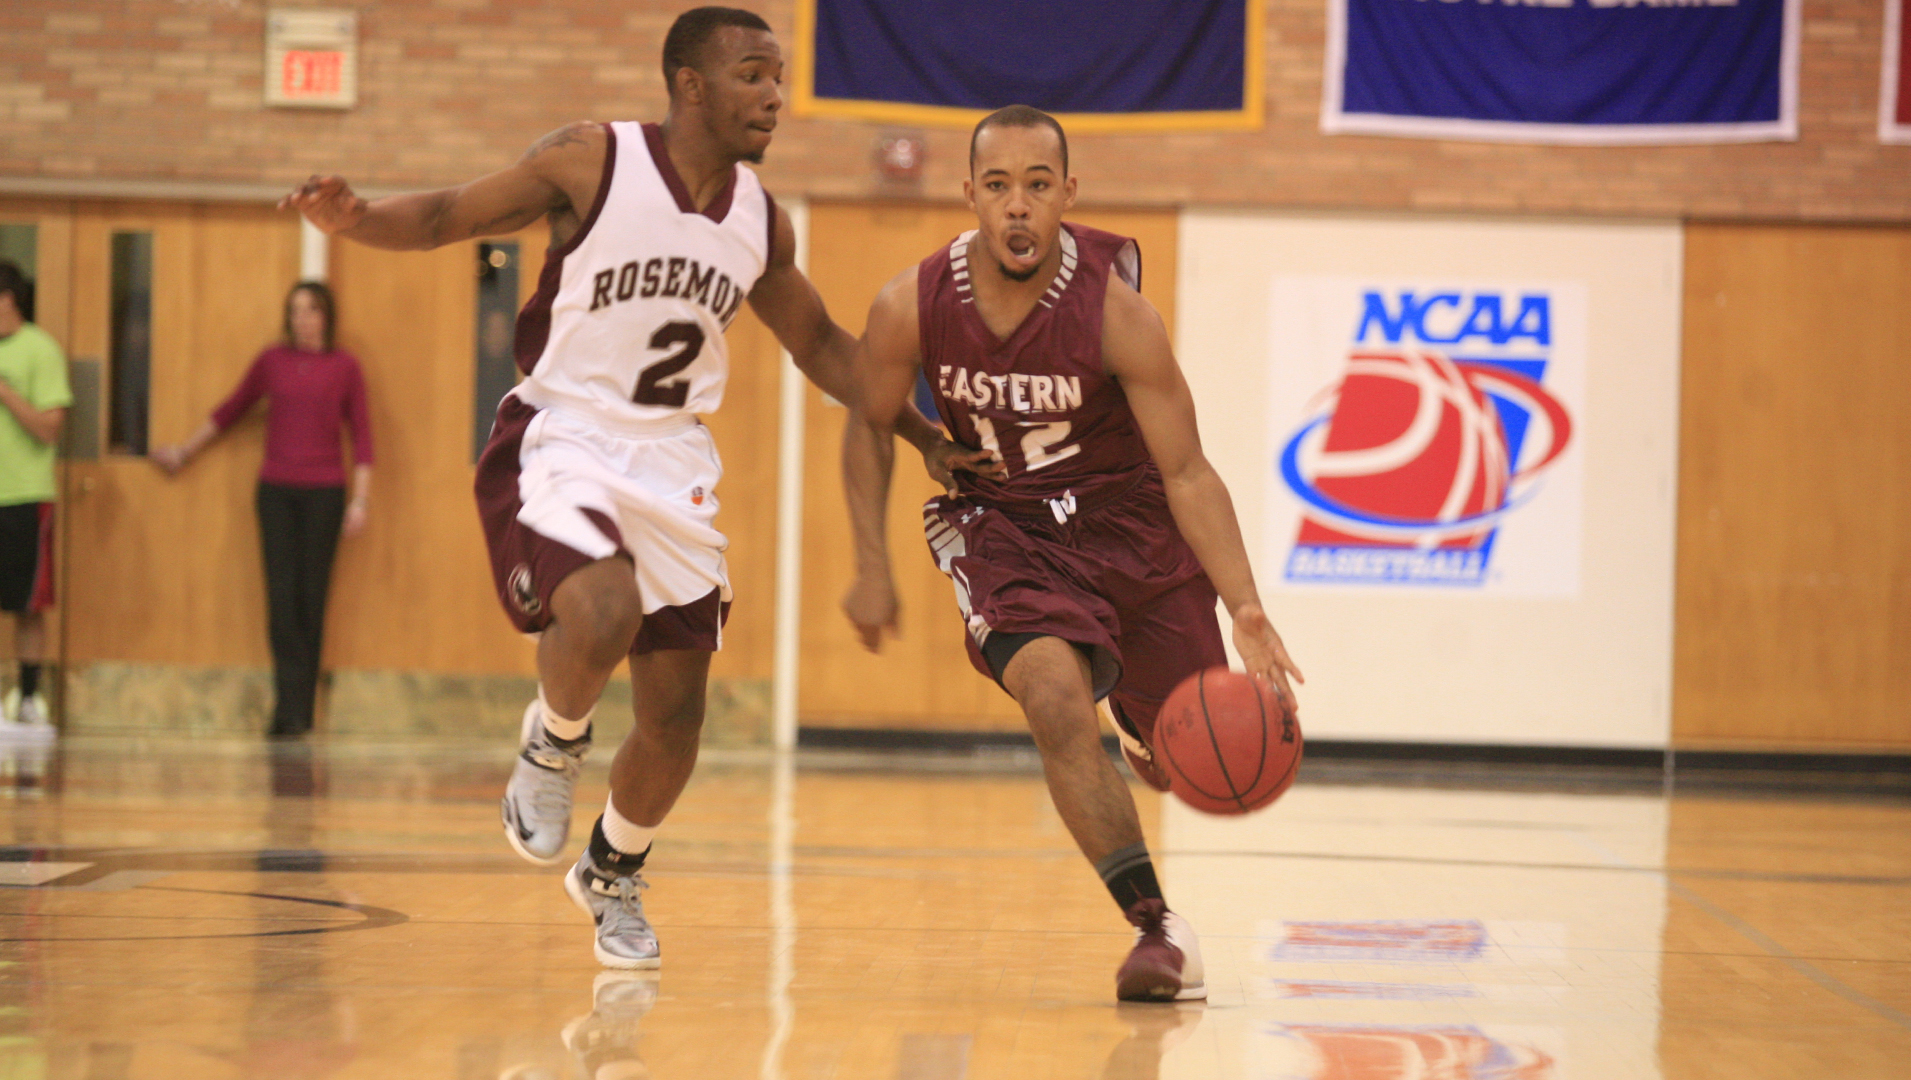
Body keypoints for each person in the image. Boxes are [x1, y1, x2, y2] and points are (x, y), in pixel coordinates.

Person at [281, 7, 982, 969]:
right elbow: (451, 216)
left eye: (778, 77)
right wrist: (357, 222)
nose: (774, 94)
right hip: (565, 429)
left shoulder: (758, 221)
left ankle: (610, 873)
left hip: (674, 458)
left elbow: (824, 348)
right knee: (601, 607)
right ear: (689, 84)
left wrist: (924, 433)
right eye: (751, 74)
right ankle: (554, 741)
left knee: (675, 720)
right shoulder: (591, 161)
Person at [840, 106, 1306, 1003]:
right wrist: (870, 561)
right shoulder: (912, 303)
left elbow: (1187, 470)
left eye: (1039, 186)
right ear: (969, 192)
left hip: (1126, 522)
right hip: (1005, 524)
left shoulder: (1119, 316)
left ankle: (1139, 718)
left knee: (1183, 759)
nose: (1019, 208)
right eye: (1000, 187)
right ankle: (1154, 927)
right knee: (1053, 695)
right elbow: (867, 422)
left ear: (1069, 195)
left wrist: (1244, 604)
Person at [151, 282, 374, 739]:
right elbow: (230, 410)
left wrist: (361, 499)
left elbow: (364, 435)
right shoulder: (271, 361)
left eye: (310, 310)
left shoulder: (345, 367)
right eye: (294, 311)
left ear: (326, 316)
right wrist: (183, 452)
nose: (302, 319)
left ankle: (300, 711)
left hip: (325, 493)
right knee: (280, 599)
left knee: (311, 602)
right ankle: (286, 706)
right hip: (276, 490)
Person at [0, 260, 69, 734]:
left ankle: (27, 698)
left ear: (8, 299)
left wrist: (4, 392)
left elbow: (49, 428)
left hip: (25, 494)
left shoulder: (40, 349)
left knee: (27, 603)